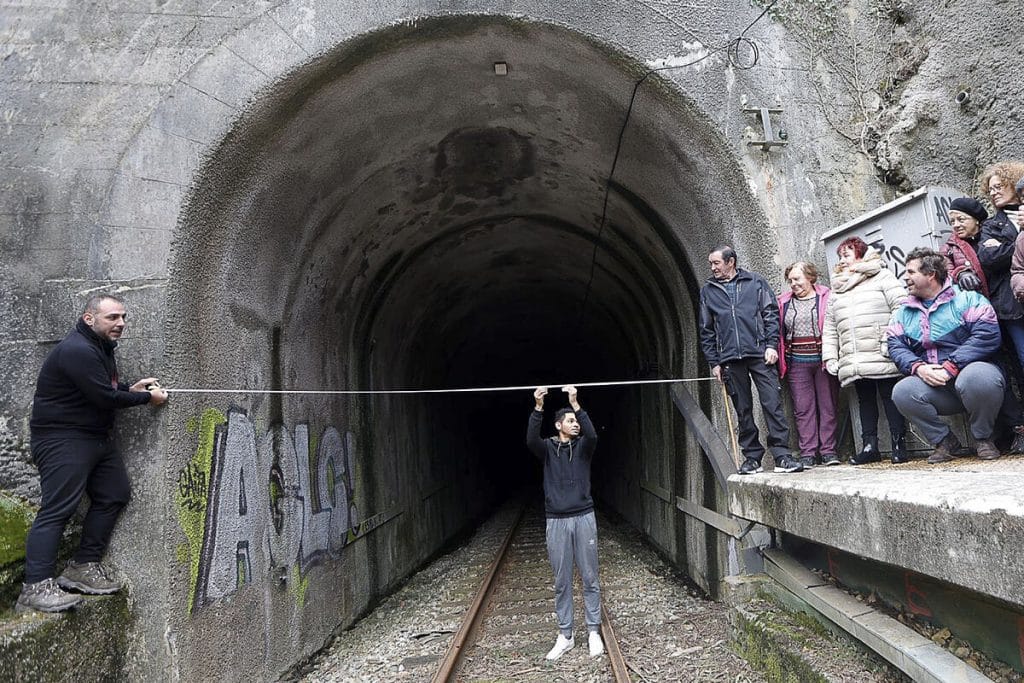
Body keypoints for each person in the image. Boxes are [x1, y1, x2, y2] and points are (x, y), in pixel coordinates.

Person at [17, 294, 168, 613]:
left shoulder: (99, 347)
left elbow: (103, 389)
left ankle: (82, 566)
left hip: (94, 437)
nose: (121, 323)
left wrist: (130, 389)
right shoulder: (77, 349)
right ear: (89, 319)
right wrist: (147, 400)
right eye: (112, 317)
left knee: (114, 493)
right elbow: (102, 396)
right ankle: (35, 586)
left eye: (123, 317)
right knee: (57, 509)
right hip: (62, 439)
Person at [889, 248, 1004, 463]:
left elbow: (987, 335)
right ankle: (944, 440)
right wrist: (918, 367)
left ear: (931, 274)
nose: (906, 277)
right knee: (902, 391)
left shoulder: (968, 299)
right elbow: (895, 345)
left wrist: (951, 366)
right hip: (938, 388)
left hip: (970, 381)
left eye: (911, 272)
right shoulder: (903, 312)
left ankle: (983, 437)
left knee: (978, 377)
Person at [699, 246, 803, 475]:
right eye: (711, 264)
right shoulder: (708, 291)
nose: (713, 267)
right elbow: (706, 329)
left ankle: (782, 455)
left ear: (731, 262)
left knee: (772, 403)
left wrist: (771, 346)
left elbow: (771, 314)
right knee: (742, 409)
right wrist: (714, 362)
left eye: (716, 263)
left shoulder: (756, 282)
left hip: (760, 354)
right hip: (729, 358)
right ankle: (752, 458)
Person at [526, 385, 604, 660]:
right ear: (559, 425)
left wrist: (576, 404)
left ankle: (594, 631)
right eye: (570, 421)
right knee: (562, 580)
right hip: (556, 520)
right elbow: (530, 440)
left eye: (576, 421)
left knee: (590, 576)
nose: (575, 425)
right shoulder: (547, 449)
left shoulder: (583, 448)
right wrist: (538, 408)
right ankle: (566, 635)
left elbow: (592, 433)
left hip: (584, 516)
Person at [822, 237, 909, 464]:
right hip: (855, 354)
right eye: (840, 256)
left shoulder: (882, 275)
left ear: (861, 254)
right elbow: (830, 327)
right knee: (865, 399)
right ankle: (870, 446)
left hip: (881, 349)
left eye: (847, 254)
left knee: (890, 396)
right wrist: (830, 356)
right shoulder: (838, 287)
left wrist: (889, 339)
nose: (842, 259)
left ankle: (899, 443)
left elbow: (901, 307)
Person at [777, 261, 840, 467]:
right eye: (790, 280)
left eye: (797, 279)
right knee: (803, 409)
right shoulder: (783, 302)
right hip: (797, 362)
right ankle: (808, 452)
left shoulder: (827, 297)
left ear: (810, 278)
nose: (793, 284)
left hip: (823, 359)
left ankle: (829, 451)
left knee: (827, 405)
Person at [977, 162, 1024, 373]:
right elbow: (988, 257)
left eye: (998, 186)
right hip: (1012, 305)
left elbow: (999, 254)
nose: (993, 193)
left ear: (1014, 184)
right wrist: (1017, 246)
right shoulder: (990, 225)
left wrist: (1004, 247)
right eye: (990, 190)